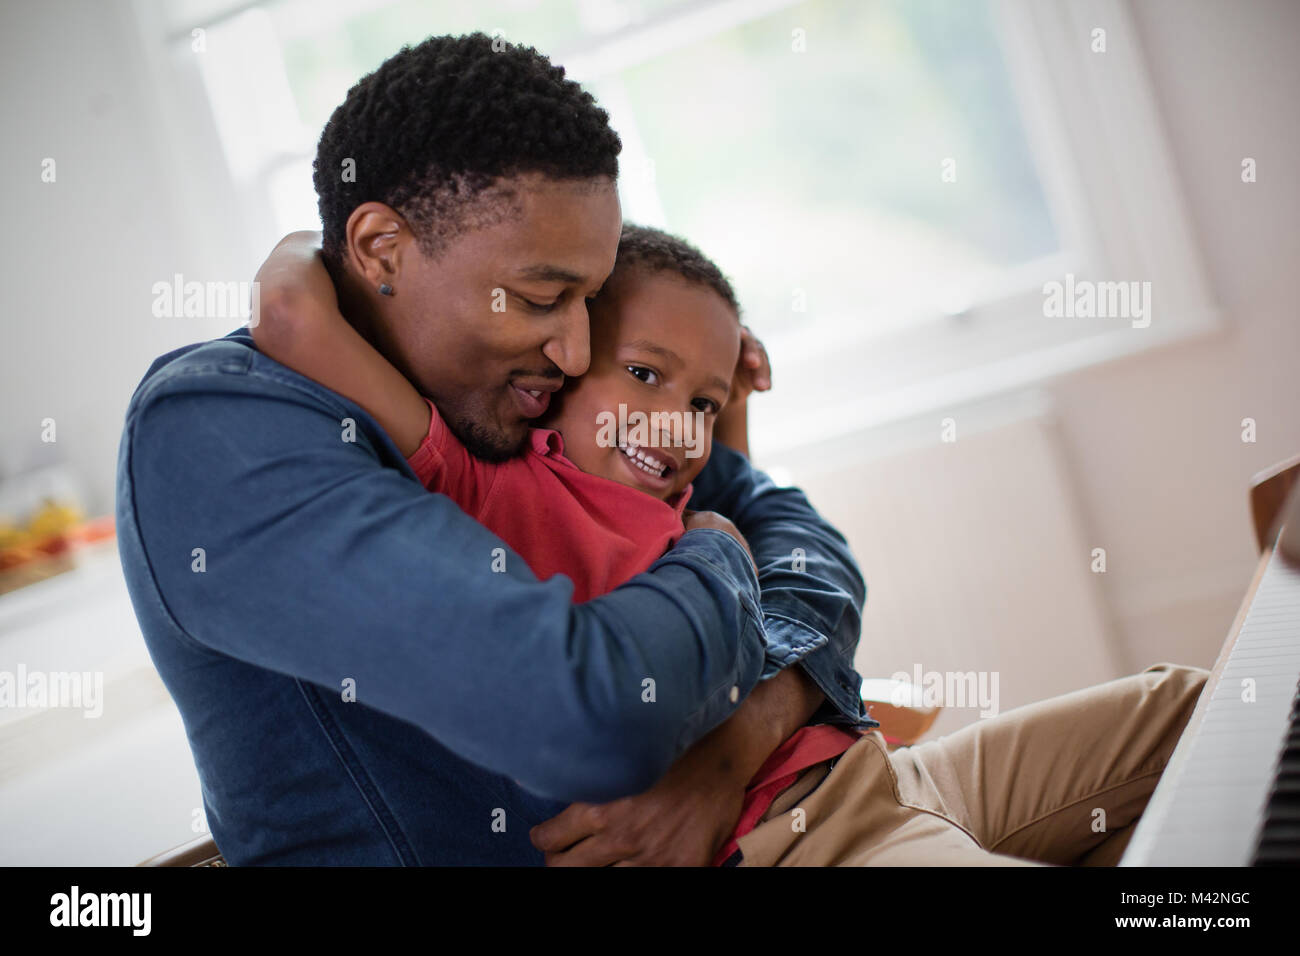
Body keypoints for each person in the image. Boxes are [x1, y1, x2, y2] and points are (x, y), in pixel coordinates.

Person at [115, 32, 871, 866]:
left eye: (590, 300)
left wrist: (741, 737)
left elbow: (797, 538)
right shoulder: (220, 426)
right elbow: (589, 713)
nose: (578, 352)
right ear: (380, 251)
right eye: (545, 298)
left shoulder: (515, 395)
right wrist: (719, 559)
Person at [248, 222, 879, 866]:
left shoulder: (669, 499)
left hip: (836, 775)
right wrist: (308, 240)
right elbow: (292, 317)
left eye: (702, 404)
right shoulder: (486, 481)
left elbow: (739, 620)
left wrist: (728, 401)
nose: (679, 425)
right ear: (563, 358)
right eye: (642, 372)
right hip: (776, 837)